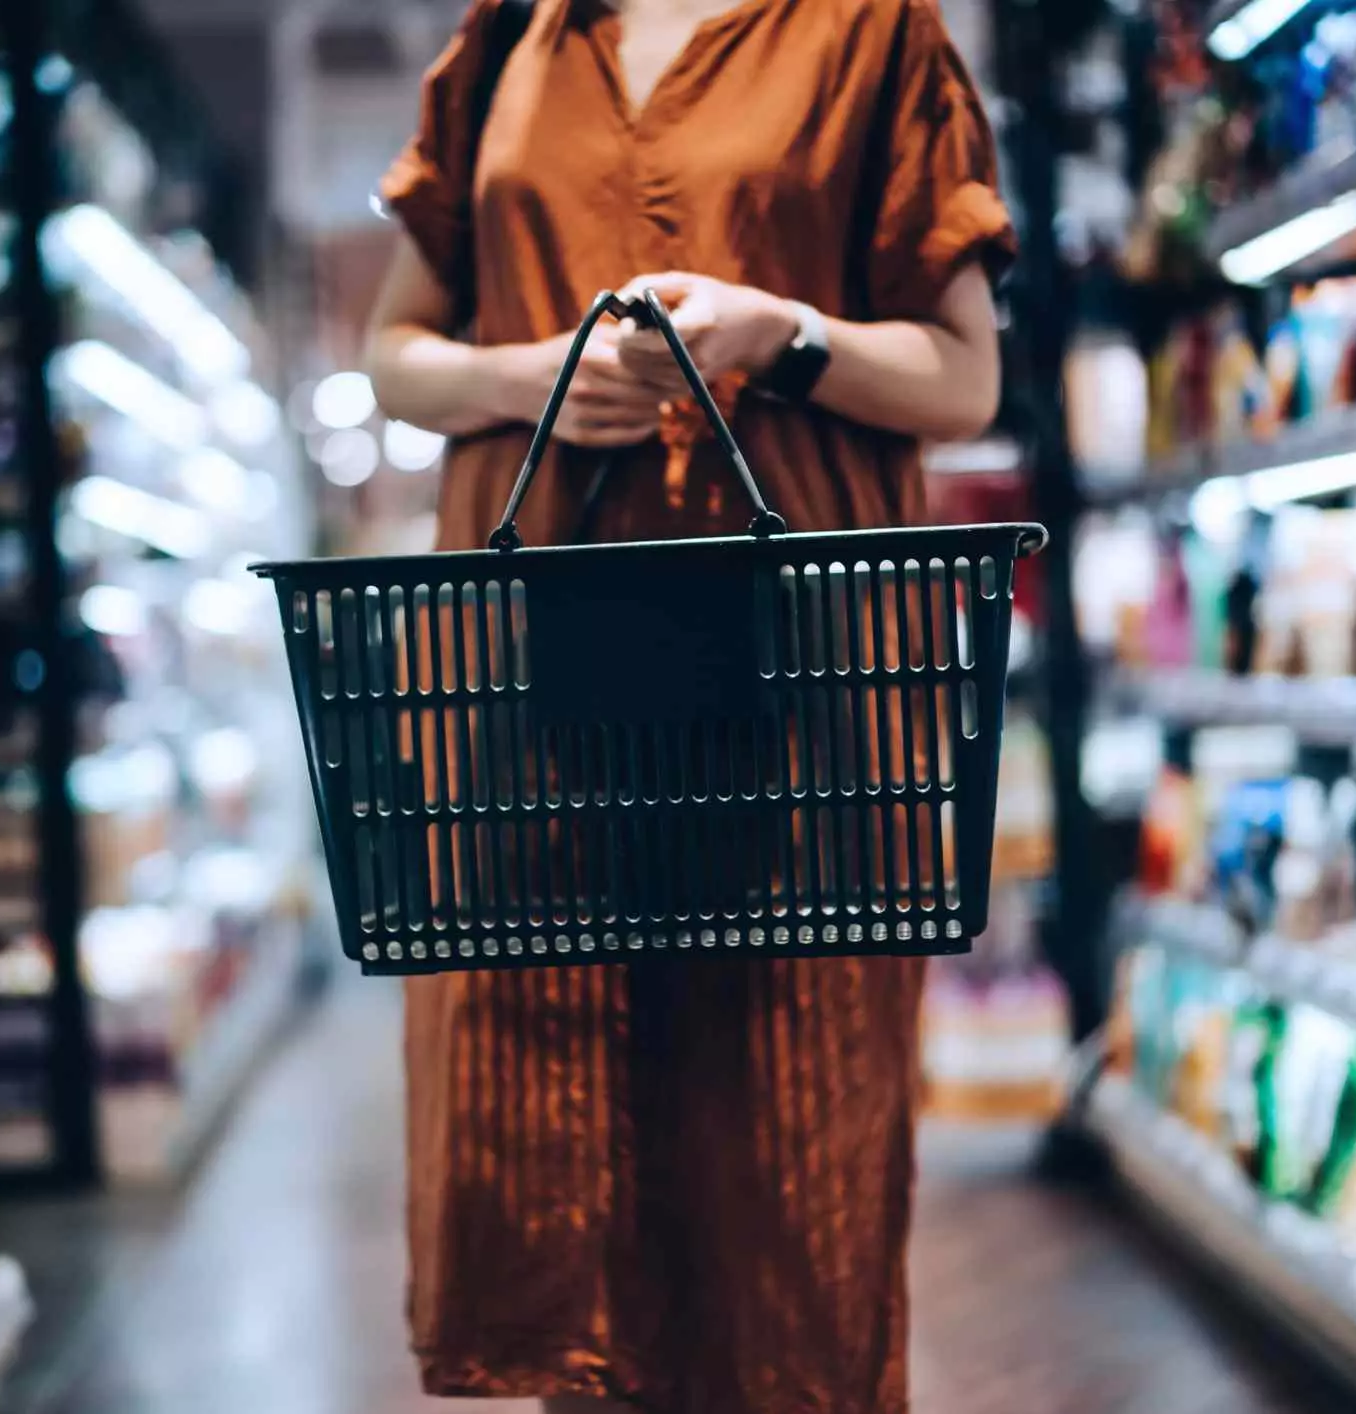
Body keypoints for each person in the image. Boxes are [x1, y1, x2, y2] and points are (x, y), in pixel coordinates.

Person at [363, 0, 1013, 1409]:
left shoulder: (868, 35)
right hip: (536, 687)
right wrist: (533, 376)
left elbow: (966, 378)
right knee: (563, 1143)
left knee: (789, 1169)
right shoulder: (509, 42)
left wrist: (780, 331)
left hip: (808, 698)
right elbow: (394, 353)